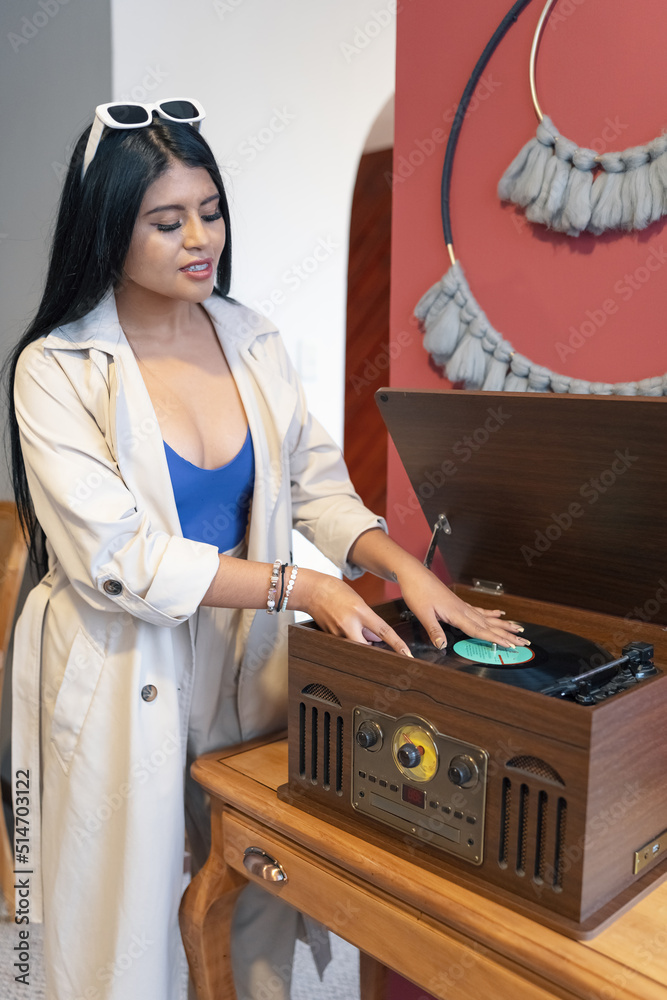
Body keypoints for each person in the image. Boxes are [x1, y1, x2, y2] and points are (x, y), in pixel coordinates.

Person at [6, 100, 526, 1000]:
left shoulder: (250, 340)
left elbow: (318, 488)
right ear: (107, 229)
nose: (199, 238)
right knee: (112, 929)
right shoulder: (58, 369)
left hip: (244, 657)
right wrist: (302, 588)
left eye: (210, 211)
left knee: (259, 879)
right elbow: (121, 558)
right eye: (166, 222)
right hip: (119, 657)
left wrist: (404, 569)